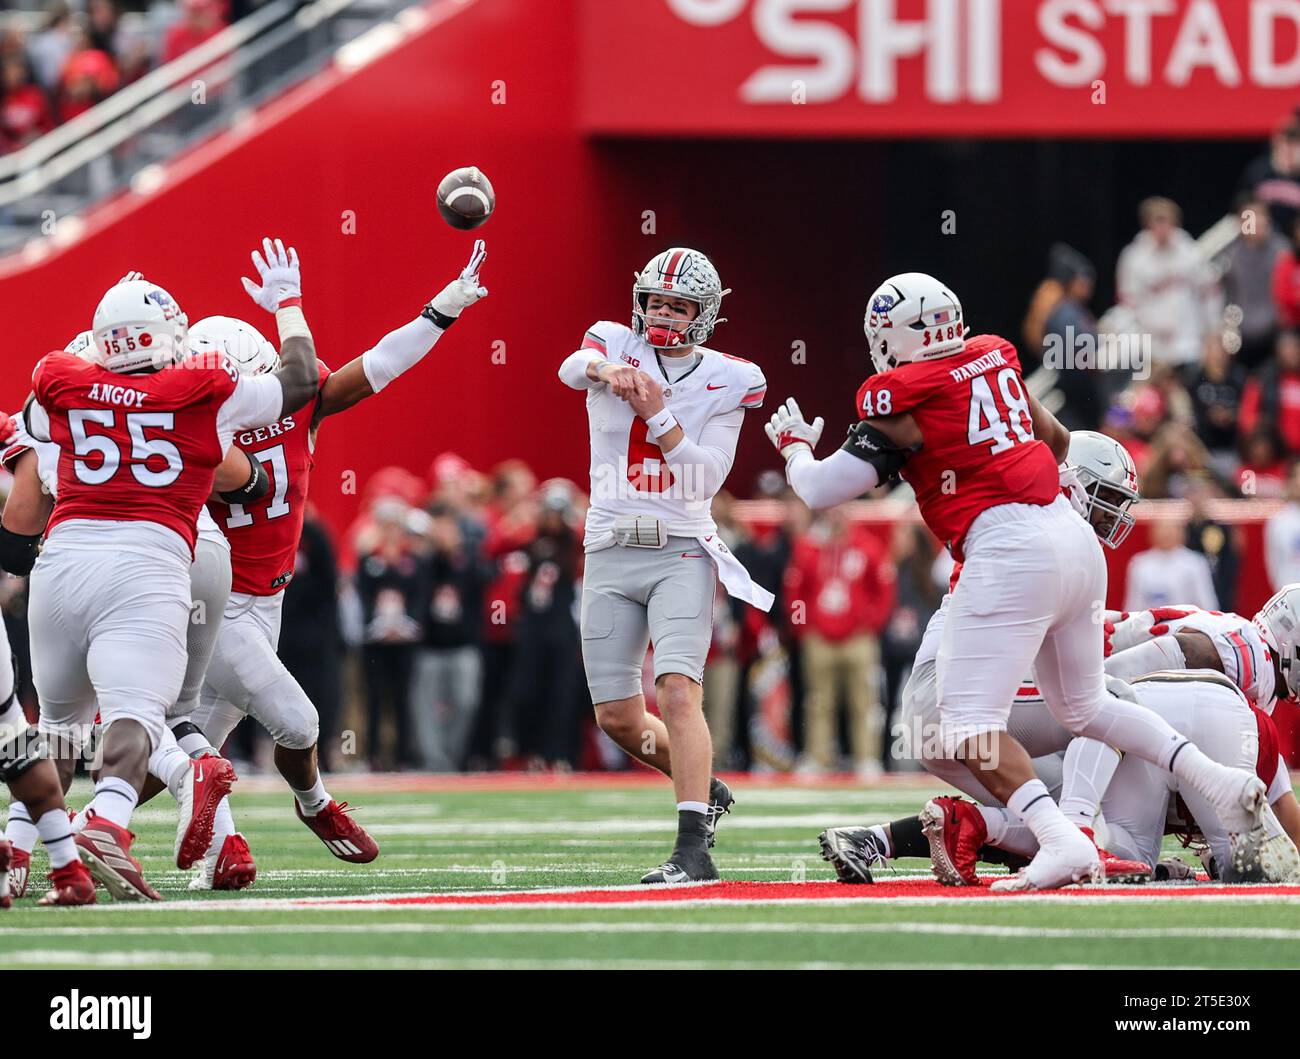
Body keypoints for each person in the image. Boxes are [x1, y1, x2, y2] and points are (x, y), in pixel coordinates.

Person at [768, 272, 1266, 892]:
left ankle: (1059, 841)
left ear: (894, 336)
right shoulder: (993, 357)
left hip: (1005, 547)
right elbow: (1057, 441)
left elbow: (818, 489)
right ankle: (1217, 780)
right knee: (1086, 706)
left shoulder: (901, 398)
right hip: (1071, 535)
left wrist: (792, 448)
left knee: (966, 728)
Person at [21, 256, 317, 901]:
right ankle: (112, 820)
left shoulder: (58, 377)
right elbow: (297, 385)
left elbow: (35, 459)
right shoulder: (203, 385)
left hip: (62, 559)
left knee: (63, 726)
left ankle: (22, 850)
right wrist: (287, 303)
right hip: (157, 557)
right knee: (143, 713)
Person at [191, 239, 488, 875]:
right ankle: (315, 802)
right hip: (211, 606)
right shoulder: (188, 430)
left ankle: (85, 831)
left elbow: (380, 364)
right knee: (298, 724)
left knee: (191, 751)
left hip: (264, 601)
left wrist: (442, 309)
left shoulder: (296, 403)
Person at [558, 246, 772, 884]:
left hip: (680, 546)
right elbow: (572, 368)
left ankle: (692, 852)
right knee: (618, 717)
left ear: (703, 314)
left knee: (677, 689)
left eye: (677, 305)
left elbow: (705, 478)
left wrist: (658, 413)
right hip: (608, 545)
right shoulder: (612, 341)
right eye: (655, 301)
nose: (662, 314)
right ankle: (703, 783)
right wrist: (605, 369)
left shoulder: (731, 378)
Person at [1116, 197, 1218, 368]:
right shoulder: (1134, 257)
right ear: (1148, 224)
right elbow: (1127, 306)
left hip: (1189, 345)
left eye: (1167, 221)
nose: (1162, 227)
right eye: (1157, 221)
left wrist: (1212, 332)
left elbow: (1210, 294)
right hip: (1153, 348)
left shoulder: (1189, 252)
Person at [1124, 517, 1218, 612]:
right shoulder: (1140, 563)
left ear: (1181, 533)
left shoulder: (1195, 563)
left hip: (1186, 623)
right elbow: (1134, 604)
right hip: (1149, 623)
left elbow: (1206, 602)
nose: (1166, 535)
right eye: (1162, 530)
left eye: (1170, 530)